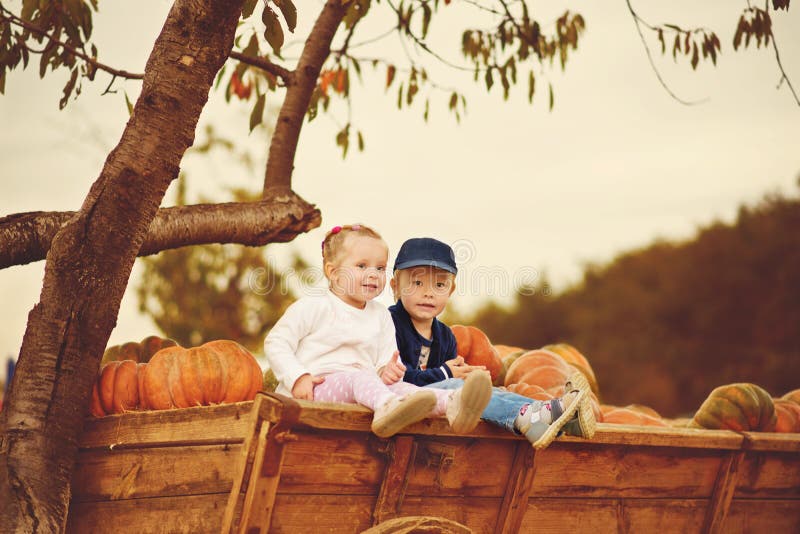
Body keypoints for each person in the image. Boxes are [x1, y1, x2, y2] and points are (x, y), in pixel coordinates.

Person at [264, 224, 493, 438]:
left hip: (365, 390)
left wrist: (388, 370)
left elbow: (386, 358)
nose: (373, 274)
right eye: (362, 266)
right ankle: (387, 408)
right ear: (333, 272)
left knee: (404, 387)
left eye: (380, 268)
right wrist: (298, 377)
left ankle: (453, 403)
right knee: (361, 378)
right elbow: (276, 342)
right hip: (315, 390)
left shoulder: (380, 315)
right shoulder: (314, 306)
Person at [389, 237, 596, 449]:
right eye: (417, 283)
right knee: (460, 390)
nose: (428, 292)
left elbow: (448, 378)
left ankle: (553, 417)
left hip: (440, 405)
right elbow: (394, 380)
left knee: (487, 392)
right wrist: (447, 374)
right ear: (395, 286)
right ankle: (530, 418)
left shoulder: (445, 335)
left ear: (450, 290)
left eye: (440, 285)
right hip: (398, 403)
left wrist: (468, 376)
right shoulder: (388, 324)